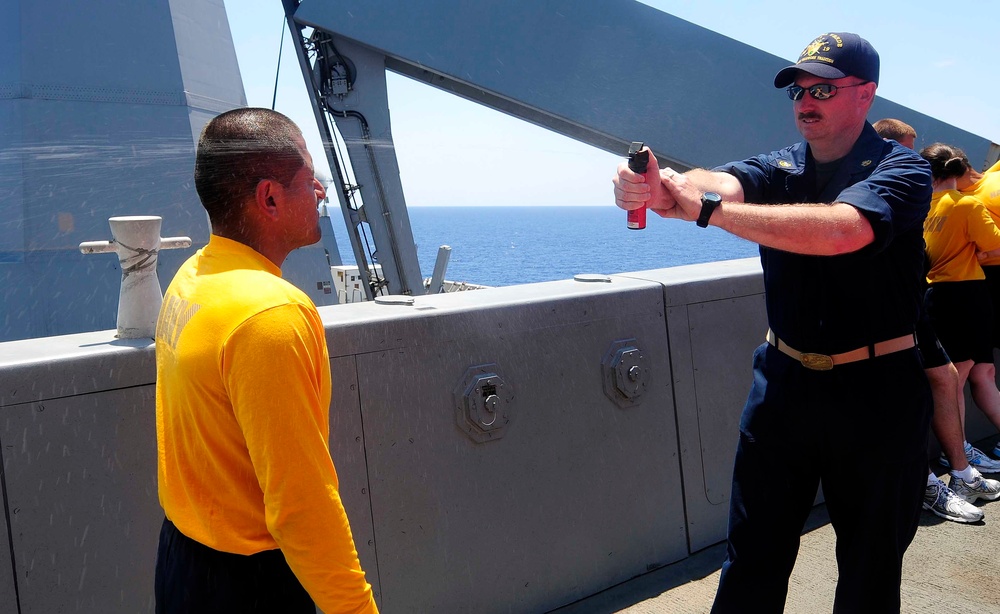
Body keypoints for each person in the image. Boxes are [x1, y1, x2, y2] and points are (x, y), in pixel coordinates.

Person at [615, 33, 933, 612]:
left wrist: (706, 210)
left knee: (869, 574)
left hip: (878, 394)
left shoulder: (903, 171)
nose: (805, 101)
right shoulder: (779, 164)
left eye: (823, 89)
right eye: (798, 91)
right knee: (750, 562)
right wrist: (670, 187)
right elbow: (721, 179)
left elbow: (842, 230)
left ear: (866, 94)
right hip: (784, 387)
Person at [154, 108, 378, 613]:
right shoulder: (270, 315)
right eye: (309, 178)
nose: (321, 191)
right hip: (249, 586)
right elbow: (302, 507)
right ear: (270, 198)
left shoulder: (192, 276)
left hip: (183, 562)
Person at [873, 120, 1000, 523]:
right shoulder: (963, 204)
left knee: (951, 377)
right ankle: (944, 469)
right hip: (954, 296)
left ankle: (957, 467)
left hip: (925, 296)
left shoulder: (921, 202)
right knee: (950, 379)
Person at [920, 143, 1000, 504]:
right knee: (959, 377)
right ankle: (962, 465)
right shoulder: (967, 205)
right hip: (966, 296)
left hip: (937, 296)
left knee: (963, 374)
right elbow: (994, 243)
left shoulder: (927, 208)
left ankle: (961, 461)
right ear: (961, 171)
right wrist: (983, 252)